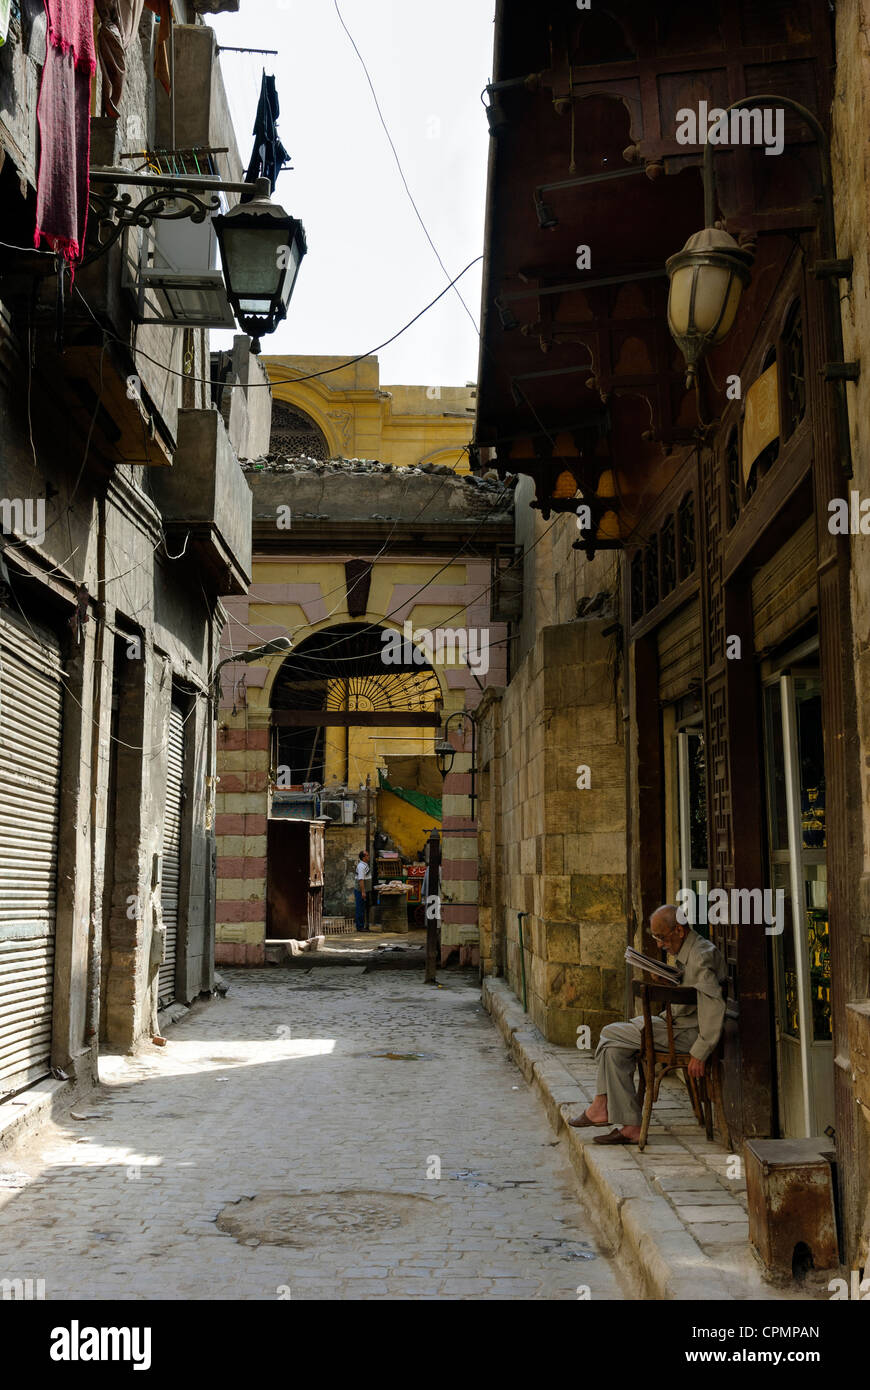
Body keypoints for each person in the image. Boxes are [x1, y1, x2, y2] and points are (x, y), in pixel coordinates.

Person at [569, 904, 728, 1145]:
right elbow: (690, 992)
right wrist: (669, 979)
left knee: (609, 1032)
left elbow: (713, 1004)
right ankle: (631, 1126)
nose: (660, 944)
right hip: (674, 1025)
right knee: (614, 1049)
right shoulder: (690, 951)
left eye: (662, 937)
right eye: (656, 938)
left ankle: (601, 1105)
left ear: (680, 931)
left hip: (686, 1033)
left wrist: (701, 1051)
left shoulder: (701, 955)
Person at [354, 850, 371, 933]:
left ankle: (362, 925)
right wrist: (363, 892)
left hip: (364, 890)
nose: (369, 856)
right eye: (367, 855)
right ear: (364, 857)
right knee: (360, 909)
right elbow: (361, 880)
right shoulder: (361, 866)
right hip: (360, 891)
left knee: (362, 908)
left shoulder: (365, 865)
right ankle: (360, 927)